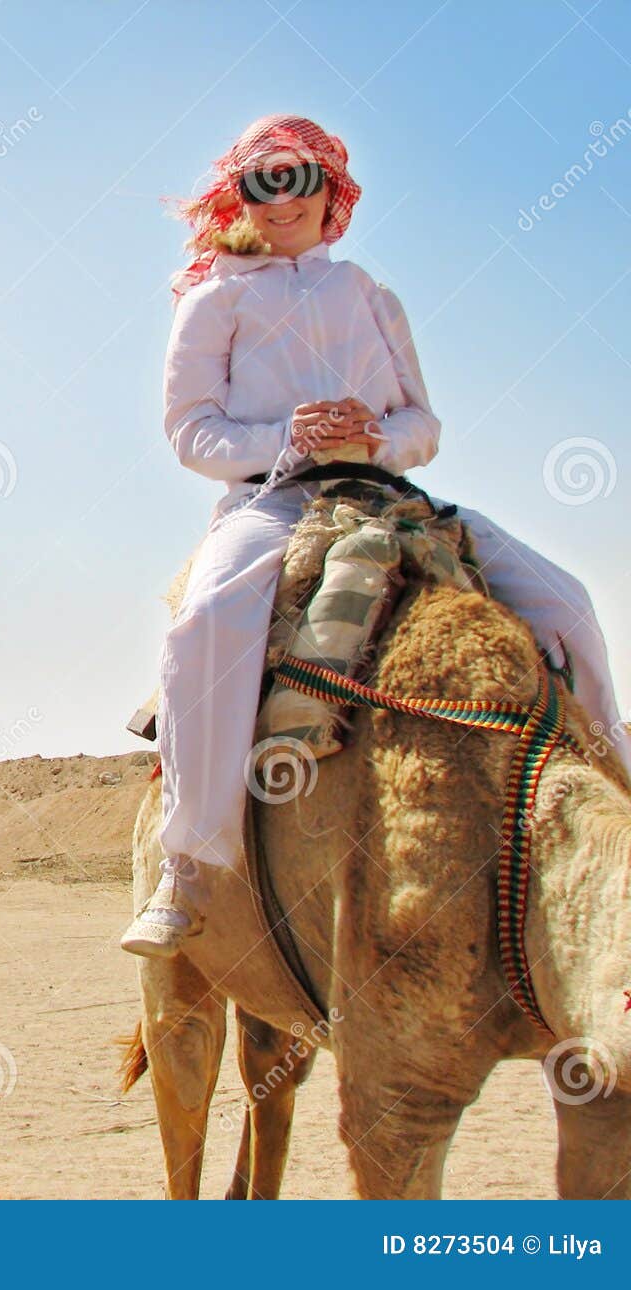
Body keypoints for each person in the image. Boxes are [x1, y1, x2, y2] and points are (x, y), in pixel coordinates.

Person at [121, 114, 625, 958]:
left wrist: (375, 439)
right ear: (242, 193)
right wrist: (291, 436)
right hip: (272, 502)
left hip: (391, 495)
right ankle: (191, 863)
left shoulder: (370, 294)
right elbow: (190, 432)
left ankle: (617, 789)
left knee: (567, 605)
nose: (281, 201)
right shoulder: (215, 299)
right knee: (205, 622)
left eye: (298, 179)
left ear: (330, 190)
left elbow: (423, 423)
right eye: (262, 181)